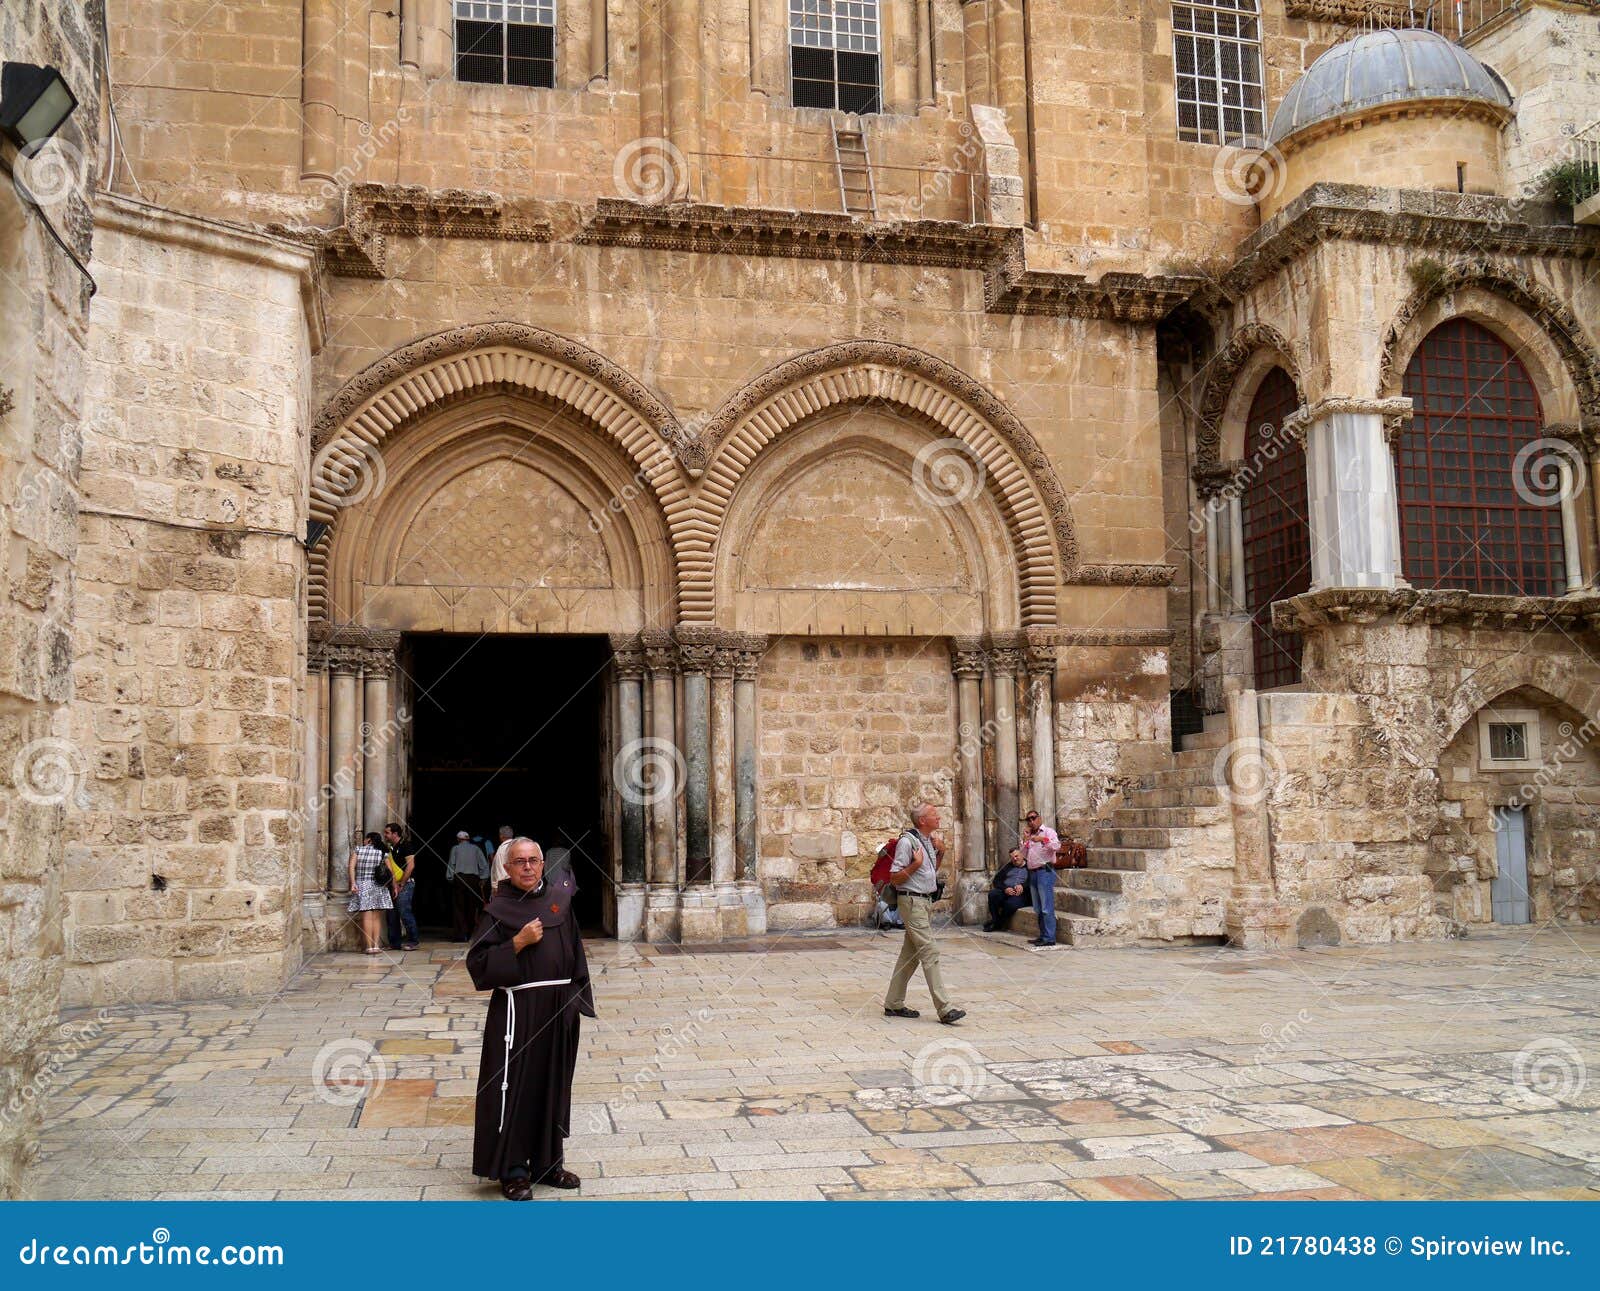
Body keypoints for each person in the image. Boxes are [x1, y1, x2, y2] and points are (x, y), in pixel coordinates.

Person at [467, 837, 594, 1200]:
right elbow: (477, 966)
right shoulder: (497, 911)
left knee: (551, 1084)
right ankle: (513, 1169)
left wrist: (574, 1000)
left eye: (533, 861)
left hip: (557, 1009)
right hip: (517, 1013)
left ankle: (548, 1163)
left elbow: (576, 954)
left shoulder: (560, 903)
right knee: (516, 1090)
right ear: (506, 868)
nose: (527, 867)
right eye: (519, 861)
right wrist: (517, 944)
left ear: (542, 865)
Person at [882, 802, 965, 1025]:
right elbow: (895, 877)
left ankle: (893, 1003)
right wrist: (915, 864)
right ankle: (945, 1008)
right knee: (930, 952)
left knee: (909, 956)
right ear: (922, 821)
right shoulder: (906, 842)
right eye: (933, 815)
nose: (938, 817)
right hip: (912, 902)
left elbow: (929, 874)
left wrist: (941, 854)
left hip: (924, 903)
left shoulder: (928, 841)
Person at [346, 831, 393, 954]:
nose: (364, 841)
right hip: (378, 886)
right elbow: (390, 871)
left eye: (365, 839)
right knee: (376, 917)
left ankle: (368, 947)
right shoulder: (383, 853)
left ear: (369, 840)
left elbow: (351, 867)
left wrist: (353, 883)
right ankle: (376, 945)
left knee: (366, 917)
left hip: (363, 884)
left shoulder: (358, 850)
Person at [1021, 809, 1061, 947]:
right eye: (1029, 819)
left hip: (1045, 871)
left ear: (1040, 818)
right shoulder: (1030, 836)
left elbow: (1057, 846)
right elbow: (1024, 855)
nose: (1031, 821)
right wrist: (1026, 841)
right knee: (1038, 908)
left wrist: (1042, 839)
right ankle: (1043, 935)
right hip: (1032, 872)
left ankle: (1050, 937)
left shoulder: (1049, 832)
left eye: (1033, 818)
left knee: (1046, 906)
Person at [447, 829, 492, 942]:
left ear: (458, 840)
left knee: (459, 907)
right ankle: (470, 933)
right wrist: (483, 878)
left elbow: (451, 864)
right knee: (472, 907)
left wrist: (450, 878)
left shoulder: (455, 849)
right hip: (473, 879)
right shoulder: (476, 849)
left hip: (460, 878)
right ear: (468, 839)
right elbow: (484, 865)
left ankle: (460, 935)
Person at [383, 821, 419, 951]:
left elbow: (411, 865)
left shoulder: (406, 845)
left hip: (406, 884)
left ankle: (413, 941)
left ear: (395, 833)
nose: (385, 835)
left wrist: (402, 883)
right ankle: (394, 942)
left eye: (387, 833)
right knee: (391, 914)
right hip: (393, 885)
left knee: (404, 911)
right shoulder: (389, 848)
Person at [984, 849, 1030, 932]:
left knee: (1011, 904)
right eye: (1012, 858)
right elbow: (996, 880)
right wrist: (1005, 888)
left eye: (1016, 856)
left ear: (1022, 855)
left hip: (1021, 894)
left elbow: (1033, 881)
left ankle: (997, 923)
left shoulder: (1030, 867)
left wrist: (1023, 886)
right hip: (1006, 891)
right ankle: (995, 919)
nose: (1014, 859)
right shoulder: (1008, 867)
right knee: (993, 894)